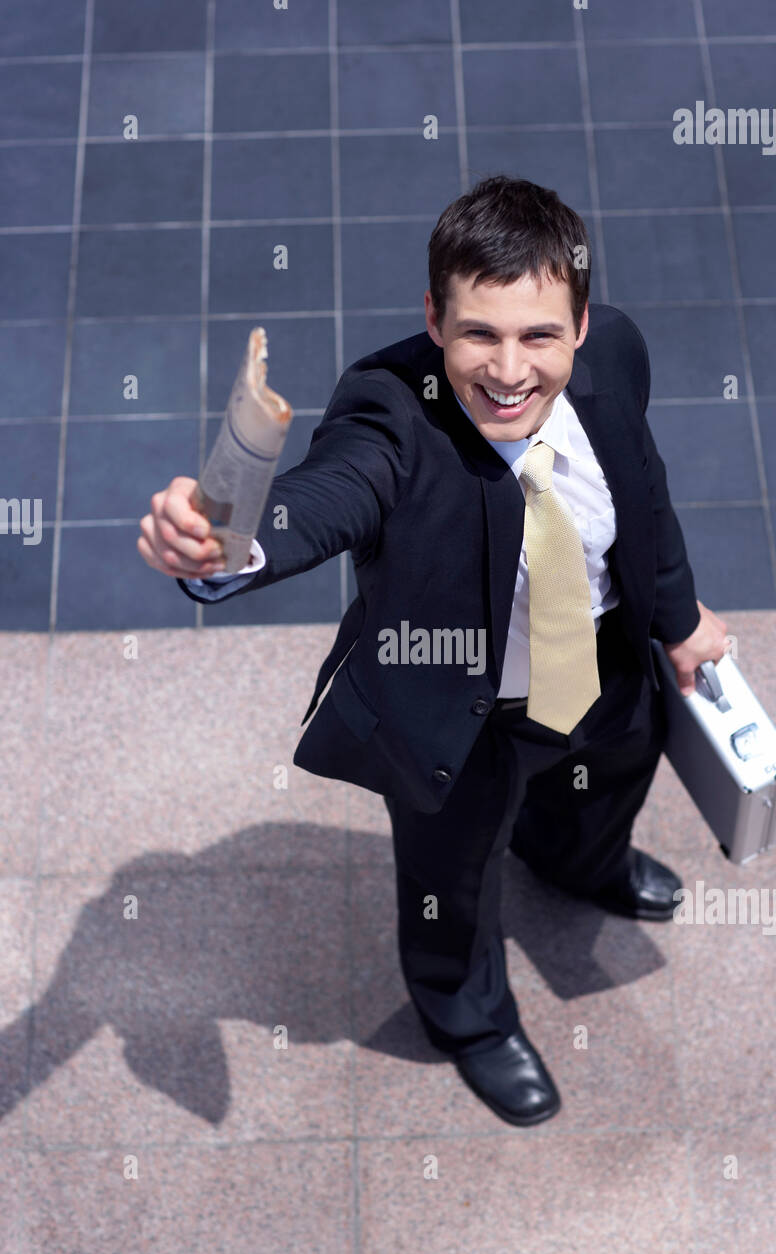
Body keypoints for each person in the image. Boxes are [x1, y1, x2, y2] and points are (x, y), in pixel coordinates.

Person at [138, 176, 728, 1128]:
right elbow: (327, 496)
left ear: (580, 327)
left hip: (605, 658)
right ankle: (469, 1020)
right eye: (477, 334)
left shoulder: (616, 353)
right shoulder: (389, 411)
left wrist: (678, 616)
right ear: (433, 320)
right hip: (466, 717)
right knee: (450, 882)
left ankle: (582, 863)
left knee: (618, 766)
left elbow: (644, 493)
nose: (507, 369)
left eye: (538, 335)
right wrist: (227, 546)